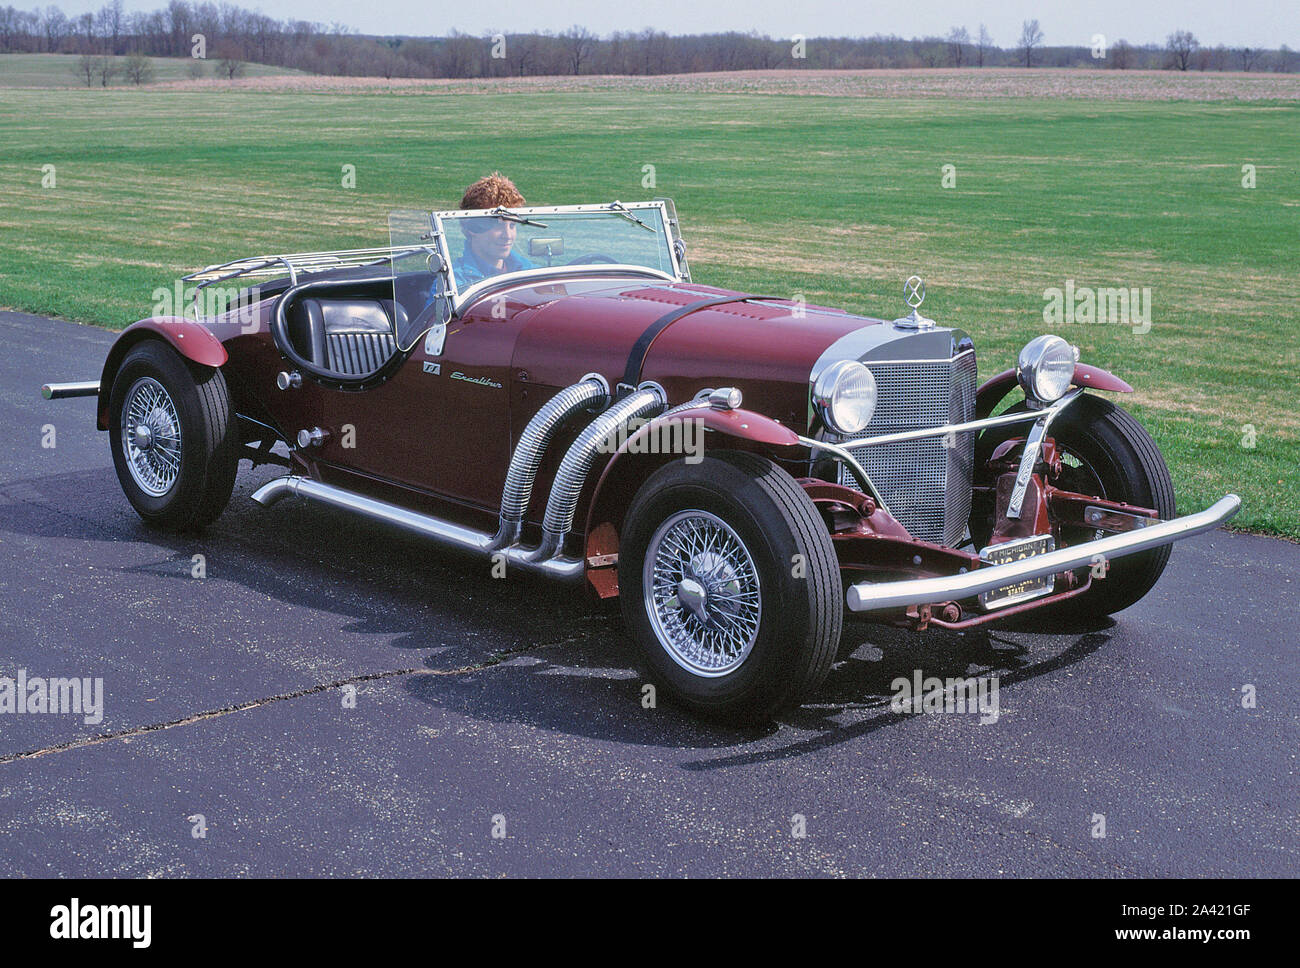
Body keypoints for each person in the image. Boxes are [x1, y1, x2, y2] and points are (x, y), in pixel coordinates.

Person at [453, 172, 535, 286]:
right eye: (499, 226)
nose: (508, 236)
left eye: (512, 225)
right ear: (473, 227)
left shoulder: (530, 271)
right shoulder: (454, 283)